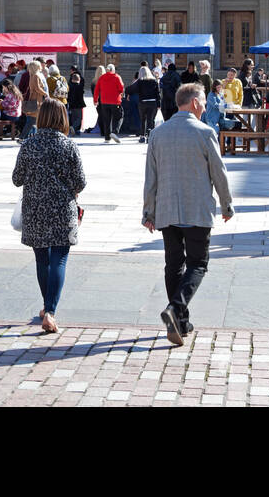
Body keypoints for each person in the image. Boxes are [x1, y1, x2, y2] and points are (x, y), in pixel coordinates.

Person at [143, 83, 233, 346]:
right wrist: (226, 204)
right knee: (198, 264)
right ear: (194, 103)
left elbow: (151, 177)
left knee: (173, 265)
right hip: (196, 209)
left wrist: (149, 210)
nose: (205, 107)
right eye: (203, 102)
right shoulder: (205, 132)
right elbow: (219, 172)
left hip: (167, 209)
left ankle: (180, 322)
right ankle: (176, 308)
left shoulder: (158, 134)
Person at [12, 98, 87, 334]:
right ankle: (51, 311)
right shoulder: (68, 146)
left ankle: (47, 308)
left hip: (34, 208)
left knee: (42, 258)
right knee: (60, 258)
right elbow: (80, 182)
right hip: (61, 209)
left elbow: (17, 179)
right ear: (62, 118)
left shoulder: (29, 144)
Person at [94, 63, 124, 144]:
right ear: (113, 70)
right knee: (119, 117)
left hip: (104, 101)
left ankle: (107, 138)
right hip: (115, 101)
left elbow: (97, 89)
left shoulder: (101, 77)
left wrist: (95, 100)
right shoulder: (117, 77)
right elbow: (121, 88)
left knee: (107, 119)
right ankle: (114, 132)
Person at [131, 66, 161, 142]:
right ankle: (150, 136)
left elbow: (133, 90)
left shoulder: (139, 82)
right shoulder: (154, 81)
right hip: (152, 102)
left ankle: (142, 136)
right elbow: (158, 93)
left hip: (142, 102)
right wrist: (159, 104)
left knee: (142, 119)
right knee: (151, 120)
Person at [65, 66, 86, 135]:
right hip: (78, 104)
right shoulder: (79, 87)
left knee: (73, 117)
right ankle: (74, 128)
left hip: (71, 104)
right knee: (79, 118)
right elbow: (80, 95)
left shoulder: (70, 86)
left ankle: (73, 129)